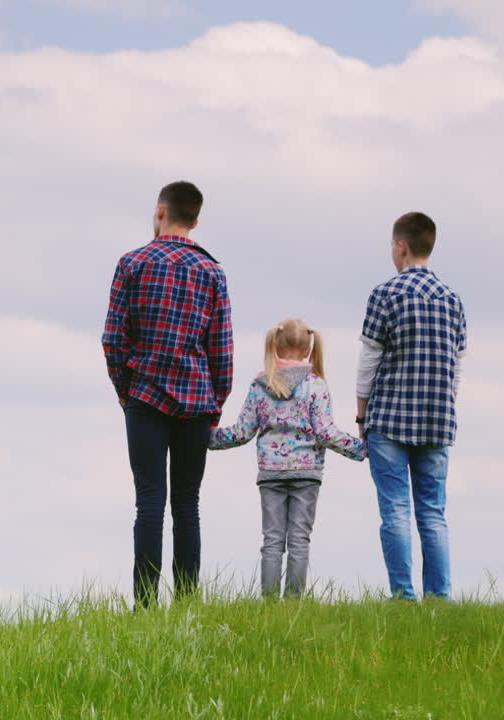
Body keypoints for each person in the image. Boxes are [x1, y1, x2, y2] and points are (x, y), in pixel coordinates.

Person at [102, 180, 233, 607]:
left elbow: (113, 338)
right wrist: (215, 404)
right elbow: (222, 351)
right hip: (197, 399)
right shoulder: (213, 272)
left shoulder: (132, 263)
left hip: (144, 398)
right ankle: (188, 603)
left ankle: (144, 605)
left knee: (149, 503)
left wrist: (125, 389)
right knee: (187, 506)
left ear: (161, 212)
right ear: (195, 220)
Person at [209, 319, 366, 598]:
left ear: (276, 345)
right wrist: (361, 449)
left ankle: (269, 602)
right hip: (307, 475)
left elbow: (243, 431)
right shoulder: (316, 386)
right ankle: (293, 602)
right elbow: (326, 432)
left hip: (271, 474)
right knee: (299, 541)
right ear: (307, 350)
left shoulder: (261, 385)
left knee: (271, 541)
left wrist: (206, 438)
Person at [357, 212, 467, 601]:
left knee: (396, 510)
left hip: (388, 418)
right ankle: (440, 597)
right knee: (433, 513)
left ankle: (403, 596)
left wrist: (361, 414)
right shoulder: (453, 300)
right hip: (438, 421)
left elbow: (369, 360)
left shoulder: (384, 294)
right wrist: (444, 405)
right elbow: (456, 367)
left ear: (400, 247)